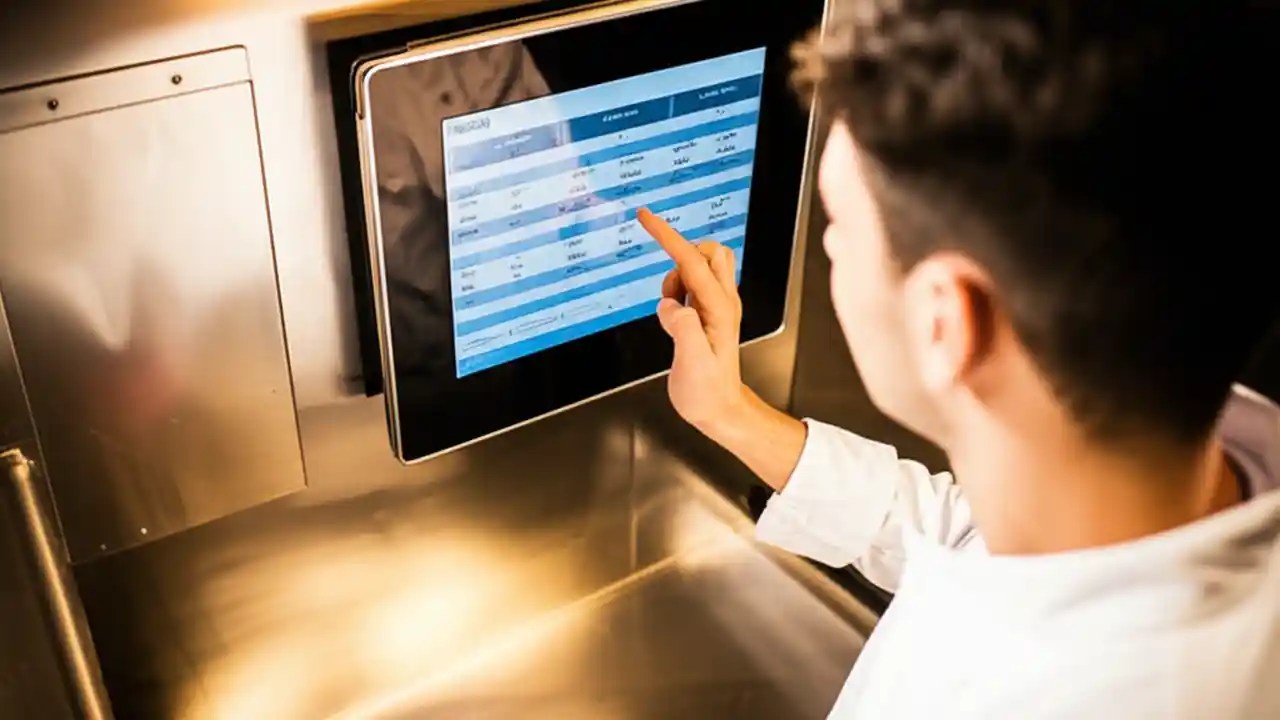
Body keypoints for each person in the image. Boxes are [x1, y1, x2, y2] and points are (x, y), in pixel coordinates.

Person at [637, 0, 1280, 717]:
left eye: (840, 226)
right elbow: (964, 533)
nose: (829, 248)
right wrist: (731, 413)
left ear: (946, 323)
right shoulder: (1189, 482)